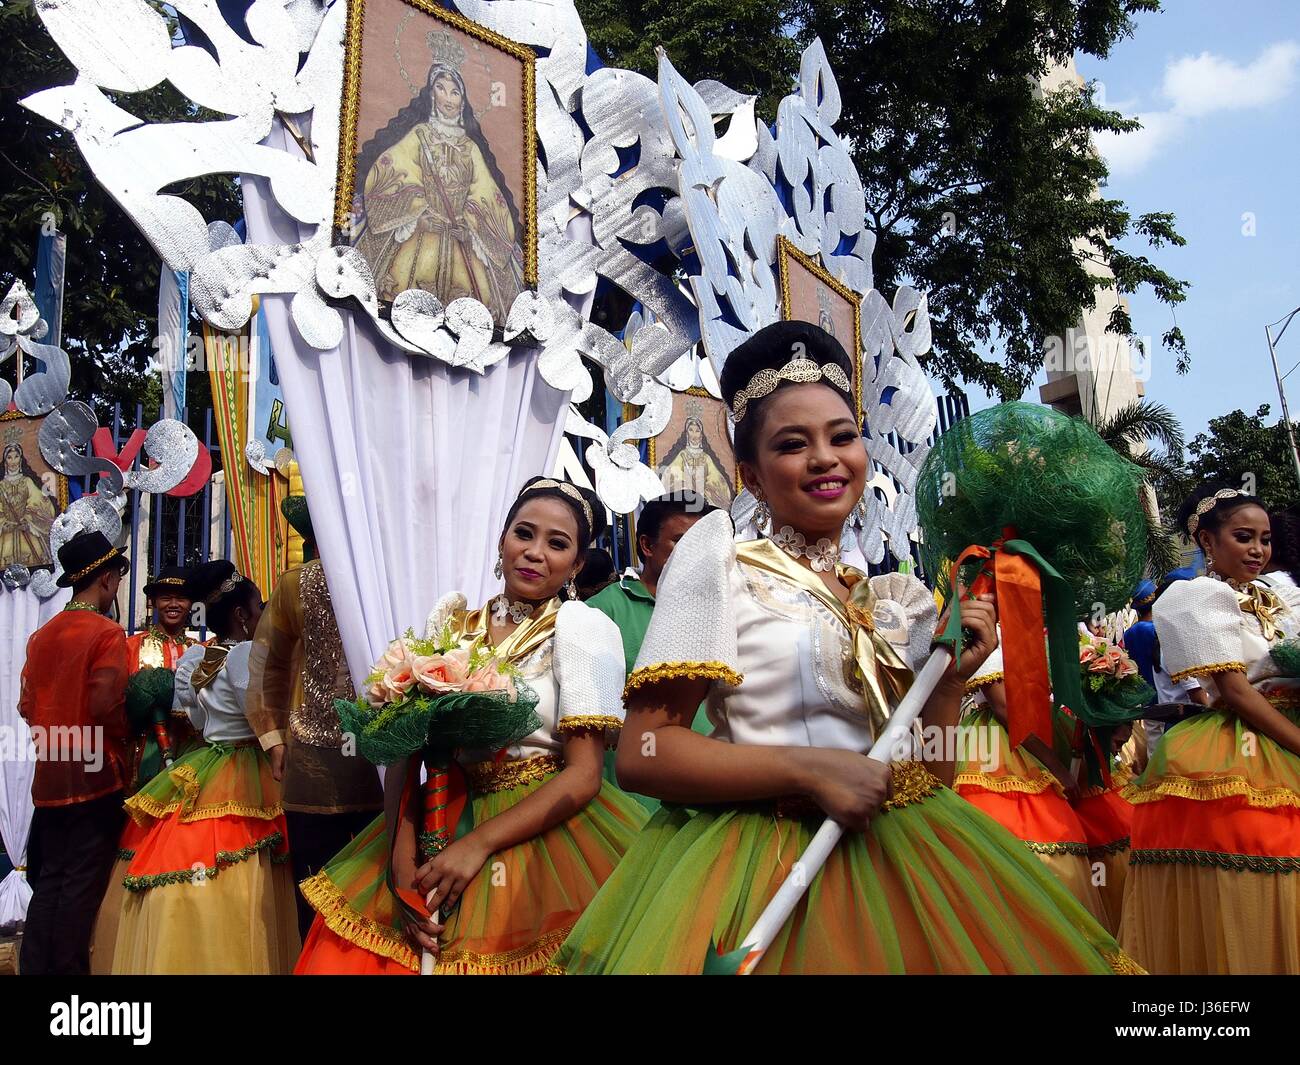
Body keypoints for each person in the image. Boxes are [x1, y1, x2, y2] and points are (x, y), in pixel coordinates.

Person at [553, 322, 1135, 974]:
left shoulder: (891, 598)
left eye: (842, 436)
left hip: (904, 864)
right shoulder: (722, 560)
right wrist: (808, 770)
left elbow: (926, 780)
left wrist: (945, 682)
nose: (826, 457)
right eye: (793, 444)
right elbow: (643, 753)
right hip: (765, 869)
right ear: (749, 474)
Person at [295, 477, 649, 974]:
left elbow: (584, 774)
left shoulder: (580, 630)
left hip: (540, 837)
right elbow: (407, 743)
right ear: (501, 540)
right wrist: (399, 859)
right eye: (523, 534)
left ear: (576, 564)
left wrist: (477, 845)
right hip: (436, 810)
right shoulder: (454, 622)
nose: (534, 553)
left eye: (557, 543)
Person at [1121, 484, 1300, 973]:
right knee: (1251, 877)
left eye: (1264, 539)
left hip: (1283, 733)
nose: (1258, 550)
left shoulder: (1280, 595)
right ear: (1206, 540)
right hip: (1240, 745)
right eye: (1244, 537)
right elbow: (1235, 692)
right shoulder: (1194, 597)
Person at [111, 560, 299, 973]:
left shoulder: (197, 659)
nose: (263, 619)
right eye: (258, 611)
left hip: (207, 760)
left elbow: (196, 721)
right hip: (252, 766)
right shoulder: (247, 655)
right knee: (250, 868)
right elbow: (264, 716)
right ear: (242, 616)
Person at [245, 496, 384, 940]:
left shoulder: (385, 580)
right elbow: (271, 664)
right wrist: (271, 737)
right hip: (311, 760)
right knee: (314, 890)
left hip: (382, 759)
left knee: (377, 892)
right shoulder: (295, 584)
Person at [352, 31, 524, 322]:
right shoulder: (419, 135)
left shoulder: (470, 148)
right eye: (441, 89)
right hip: (418, 234)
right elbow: (391, 172)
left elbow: (487, 196)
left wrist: (469, 227)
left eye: (454, 92)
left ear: (463, 100)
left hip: (461, 242)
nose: (448, 98)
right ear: (431, 94)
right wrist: (419, 212)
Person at [18, 531, 130, 975]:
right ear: (105, 579)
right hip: (94, 776)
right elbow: (107, 705)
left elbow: (27, 706)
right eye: (117, 578)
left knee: (50, 882)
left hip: (49, 779)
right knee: (80, 886)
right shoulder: (106, 633)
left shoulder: (41, 636)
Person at [955, 641, 1108, 926]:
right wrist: (1057, 768)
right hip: (997, 747)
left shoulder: (1021, 626)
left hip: (1032, 738)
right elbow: (1004, 708)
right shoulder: (986, 631)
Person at [587, 491, 717, 808]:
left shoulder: (721, 611)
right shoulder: (603, 612)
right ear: (647, 546)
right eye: (681, 542)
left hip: (714, 793)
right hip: (636, 805)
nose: (695, 555)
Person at [125, 564, 199, 773]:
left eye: (181, 598)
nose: (173, 604)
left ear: (191, 603)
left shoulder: (200, 651)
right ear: (154, 602)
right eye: (166, 598)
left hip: (190, 751)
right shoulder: (131, 646)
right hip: (143, 753)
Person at [659, 406, 734, 510]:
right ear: (686, 433)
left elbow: (719, 483)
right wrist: (686, 489)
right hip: (684, 506)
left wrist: (706, 490)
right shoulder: (682, 455)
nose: (694, 435)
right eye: (691, 430)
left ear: (701, 434)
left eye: (697, 431)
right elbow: (670, 477)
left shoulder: (706, 458)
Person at [0, 437, 57, 567]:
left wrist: (27, 519)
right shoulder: (1, 485)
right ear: (5, 461)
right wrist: (3, 523)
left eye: (16, 457)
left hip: (27, 531)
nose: (13, 461)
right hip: (5, 535)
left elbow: (38, 502)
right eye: (9, 457)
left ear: (20, 459)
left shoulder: (27, 482)